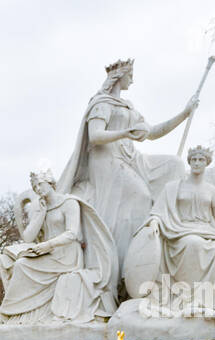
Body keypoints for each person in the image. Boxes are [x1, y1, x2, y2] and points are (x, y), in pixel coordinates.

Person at [58, 58, 197, 267]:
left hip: (132, 158)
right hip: (107, 159)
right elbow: (95, 136)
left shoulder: (128, 107)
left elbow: (153, 132)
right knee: (140, 195)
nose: (132, 81)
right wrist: (125, 133)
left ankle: (169, 231)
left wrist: (185, 113)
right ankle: (129, 263)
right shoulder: (101, 104)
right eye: (130, 76)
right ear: (119, 76)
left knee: (175, 165)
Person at [134, 145, 215, 318]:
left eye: (201, 160)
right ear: (189, 162)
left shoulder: (213, 191)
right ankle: (189, 300)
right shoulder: (173, 187)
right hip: (180, 231)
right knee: (192, 243)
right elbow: (159, 211)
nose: (197, 163)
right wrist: (154, 222)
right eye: (194, 160)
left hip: (207, 231)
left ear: (207, 163)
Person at [0, 169, 116, 325]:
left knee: (22, 265)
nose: (38, 190)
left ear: (50, 183)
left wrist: (47, 245)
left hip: (67, 256)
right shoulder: (40, 207)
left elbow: (72, 233)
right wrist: (41, 214)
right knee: (3, 260)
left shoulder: (69, 203)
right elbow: (28, 237)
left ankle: (6, 313)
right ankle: (15, 312)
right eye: (35, 187)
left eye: (40, 185)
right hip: (46, 253)